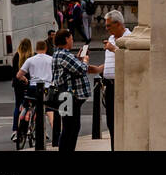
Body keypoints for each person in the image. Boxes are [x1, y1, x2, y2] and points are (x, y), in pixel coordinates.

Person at [50, 29, 102, 151]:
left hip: (65, 96)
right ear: (66, 39)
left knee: (71, 127)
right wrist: (84, 60)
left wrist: (78, 58)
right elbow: (81, 69)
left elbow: (70, 69)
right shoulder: (64, 55)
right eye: (72, 38)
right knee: (70, 128)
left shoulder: (58, 54)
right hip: (69, 96)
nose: (72, 41)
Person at [101, 10, 132, 150]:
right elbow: (111, 63)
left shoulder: (130, 38)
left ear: (118, 24)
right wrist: (97, 69)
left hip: (122, 86)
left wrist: (114, 49)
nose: (106, 29)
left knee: (122, 122)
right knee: (111, 123)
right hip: (109, 86)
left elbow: (131, 59)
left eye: (108, 26)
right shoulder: (112, 39)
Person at [16, 39, 55, 141]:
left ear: (36, 49)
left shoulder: (30, 60)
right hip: (47, 88)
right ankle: (57, 136)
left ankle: (19, 133)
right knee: (50, 111)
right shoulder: (52, 59)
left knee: (25, 107)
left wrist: (25, 79)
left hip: (33, 88)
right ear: (46, 48)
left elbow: (19, 75)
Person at [11, 37, 33, 128]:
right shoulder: (32, 56)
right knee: (31, 105)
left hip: (18, 84)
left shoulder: (16, 56)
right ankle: (31, 127)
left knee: (17, 105)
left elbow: (14, 71)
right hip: (29, 83)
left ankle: (16, 128)